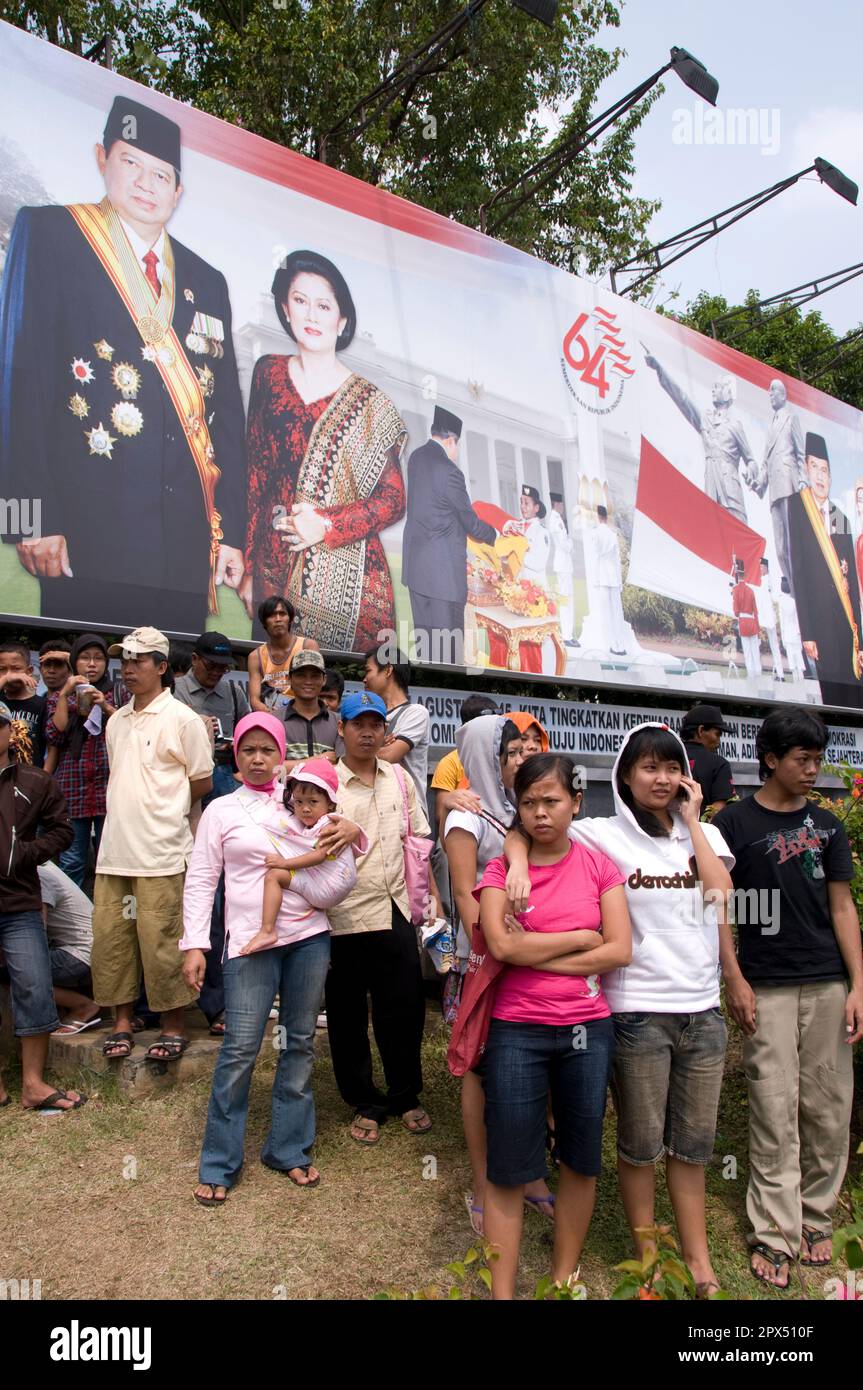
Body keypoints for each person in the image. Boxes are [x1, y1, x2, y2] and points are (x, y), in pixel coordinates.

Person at [0, 97, 247, 633]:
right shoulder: (52, 233)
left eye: (162, 174)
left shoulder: (209, 280)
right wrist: (29, 518)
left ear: (178, 192)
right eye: (131, 162)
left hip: (183, 552)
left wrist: (230, 535)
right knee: (85, 696)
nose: (146, 183)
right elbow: (21, 379)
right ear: (101, 158)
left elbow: (225, 417)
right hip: (85, 539)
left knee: (172, 699)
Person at [506, 722, 734, 1298]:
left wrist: (693, 822)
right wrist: (512, 864)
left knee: (693, 1144)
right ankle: (649, 1256)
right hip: (636, 1012)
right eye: (647, 768)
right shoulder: (602, 834)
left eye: (669, 767)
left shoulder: (704, 835)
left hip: (702, 1011)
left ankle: (699, 1262)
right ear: (625, 777)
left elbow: (718, 894)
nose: (660, 779)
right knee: (639, 1144)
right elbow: (530, 826)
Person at [182, 715, 366, 1200]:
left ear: (281, 753)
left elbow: (342, 825)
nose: (259, 759)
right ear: (235, 756)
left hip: (308, 938)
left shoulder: (301, 798)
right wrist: (195, 944)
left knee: (300, 1042)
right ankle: (219, 1161)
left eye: (268, 750)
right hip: (249, 943)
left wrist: (351, 826)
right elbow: (202, 879)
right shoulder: (221, 810)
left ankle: (288, 1148)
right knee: (240, 1048)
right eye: (249, 750)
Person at [713, 710, 863, 1291]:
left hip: (828, 981)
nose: (812, 769)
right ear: (770, 759)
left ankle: (817, 1214)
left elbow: (843, 907)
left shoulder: (827, 826)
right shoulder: (732, 824)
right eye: (801, 759)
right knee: (774, 1106)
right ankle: (775, 1230)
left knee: (828, 1105)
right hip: (767, 983)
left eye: (816, 759)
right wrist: (735, 978)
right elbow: (718, 907)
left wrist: (858, 984)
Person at [478, 753, 631, 1299]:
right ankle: (502, 1292)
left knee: (580, 1157)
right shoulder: (501, 870)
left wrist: (531, 953)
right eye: (529, 802)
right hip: (516, 1029)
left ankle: (564, 1275)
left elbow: (619, 950)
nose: (540, 813)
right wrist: (577, 939)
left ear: (576, 803)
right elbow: (499, 944)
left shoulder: (598, 867)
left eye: (552, 801)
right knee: (508, 1167)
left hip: (587, 1030)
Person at [244, 249, 407, 652]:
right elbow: (255, 473)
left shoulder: (372, 403)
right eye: (300, 301)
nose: (311, 316)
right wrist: (248, 565)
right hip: (273, 564)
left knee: (341, 691)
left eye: (324, 305)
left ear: (342, 319)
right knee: (272, 683)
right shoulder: (268, 372)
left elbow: (393, 498)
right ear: (285, 309)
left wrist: (328, 524)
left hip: (348, 572)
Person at [443, 714, 554, 1234]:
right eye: (509, 751)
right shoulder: (466, 817)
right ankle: (485, 1185)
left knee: (531, 1068)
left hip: (534, 958)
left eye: (526, 750)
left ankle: (530, 1176)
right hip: (487, 962)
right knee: (482, 1071)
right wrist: (494, 946)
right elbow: (464, 894)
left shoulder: (524, 812)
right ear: (485, 757)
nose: (520, 759)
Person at [92, 626, 213, 1063]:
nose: (128, 668)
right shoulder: (115, 720)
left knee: (164, 942)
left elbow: (200, 780)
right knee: (114, 940)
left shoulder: (183, 720)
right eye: (124, 660)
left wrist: (163, 812)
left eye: (139, 660)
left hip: (162, 852)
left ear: (162, 667)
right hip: (115, 852)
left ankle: (174, 1026)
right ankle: (122, 1023)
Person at [326, 691, 431, 1144]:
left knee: (403, 1011)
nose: (367, 733)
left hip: (397, 908)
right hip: (343, 914)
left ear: (386, 731)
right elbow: (311, 841)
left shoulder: (400, 778)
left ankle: (406, 1095)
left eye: (375, 725)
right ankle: (365, 1101)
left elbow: (419, 838)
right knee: (348, 1015)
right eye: (358, 724)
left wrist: (429, 905)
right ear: (342, 729)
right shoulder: (325, 781)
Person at [0, 700, 82, 1112]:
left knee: (33, 985)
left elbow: (63, 830)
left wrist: (27, 852)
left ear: (9, 731)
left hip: (19, 902)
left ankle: (33, 1083)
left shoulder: (35, 781)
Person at [402, 405, 496, 663]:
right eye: (457, 445)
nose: (457, 452)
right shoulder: (451, 472)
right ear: (451, 440)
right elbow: (471, 523)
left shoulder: (416, 459)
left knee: (426, 652)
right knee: (448, 658)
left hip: (416, 571)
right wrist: (496, 537)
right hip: (443, 579)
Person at [241, 758, 349, 956]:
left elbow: (319, 856)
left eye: (313, 802)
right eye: (299, 802)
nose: (305, 808)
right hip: (325, 889)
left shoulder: (330, 825)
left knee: (274, 875)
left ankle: (267, 930)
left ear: (330, 803)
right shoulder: (312, 824)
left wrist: (284, 863)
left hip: (330, 887)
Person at [788, 433, 863, 708]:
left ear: (831, 477)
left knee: (856, 692)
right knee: (832, 693)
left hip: (846, 624)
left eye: (825, 470)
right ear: (806, 469)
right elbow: (799, 571)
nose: (820, 476)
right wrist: (807, 632)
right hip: (819, 625)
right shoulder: (797, 506)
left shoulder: (839, 516)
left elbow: (852, 583)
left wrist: (861, 639)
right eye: (815, 467)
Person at [643, 351, 757, 525]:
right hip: (712, 487)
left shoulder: (735, 425)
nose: (713, 389)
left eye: (717, 387)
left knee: (737, 535)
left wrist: (751, 470)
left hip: (731, 492)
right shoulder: (705, 419)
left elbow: (751, 459)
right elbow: (683, 400)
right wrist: (659, 369)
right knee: (712, 534)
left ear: (727, 393)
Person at [44, 633, 121, 888]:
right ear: (75, 662)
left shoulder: (118, 695)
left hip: (106, 789)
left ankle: (102, 919)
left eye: (98, 659)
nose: (92, 664)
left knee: (107, 859)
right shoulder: (58, 697)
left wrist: (105, 706)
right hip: (72, 788)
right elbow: (55, 734)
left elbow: (130, 733)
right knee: (71, 860)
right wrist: (66, 694)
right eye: (85, 658)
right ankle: (72, 921)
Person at [173, 630, 250, 800]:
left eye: (223, 668)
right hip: (184, 773)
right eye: (211, 665)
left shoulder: (234, 692)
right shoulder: (173, 691)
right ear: (194, 659)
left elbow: (249, 733)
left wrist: (237, 744)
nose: (216, 672)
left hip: (224, 772)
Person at [36, 861, 100, 1036]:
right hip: (72, 951)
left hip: (81, 956)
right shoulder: (42, 868)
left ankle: (82, 1005)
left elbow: (37, 933)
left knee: (18, 969)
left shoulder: (40, 875)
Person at [755, 379, 805, 589]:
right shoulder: (770, 428)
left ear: (783, 395)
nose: (770, 394)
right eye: (769, 391)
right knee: (781, 548)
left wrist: (802, 479)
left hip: (788, 483)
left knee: (793, 542)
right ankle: (794, 587)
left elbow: (801, 453)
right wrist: (758, 483)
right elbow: (765, 463)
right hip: (774, 491)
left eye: (773, 390)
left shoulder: (791, 418)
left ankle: (801, 584)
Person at [363, 645, 430, 804]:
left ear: (387, 671)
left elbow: (389, 756)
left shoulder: (416, 713)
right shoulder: (368, 715)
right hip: (376, 808)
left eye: (368, 671)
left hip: (409, 813)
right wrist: (379, 747)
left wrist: (359, 750)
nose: (364, 679)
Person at [247, 595, 320, 712]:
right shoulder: (256, 656)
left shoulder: (307, 646)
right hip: (270, 715)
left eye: (282, 614)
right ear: (264, 622)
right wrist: (273, 716)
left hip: (302, 711)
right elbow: (255, 701)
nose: (278, 619)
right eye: (272, 615)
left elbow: (314, 686)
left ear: (290, 619)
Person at [280, 651, 341, 770]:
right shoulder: (274, 721)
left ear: (324, 679)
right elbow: (271, 769)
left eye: (315, 676)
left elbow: (342, 766)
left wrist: (289, 765)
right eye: (301, 675)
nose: (308, 681)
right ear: (289, 679)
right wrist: (319, 760)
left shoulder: (339, 722)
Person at [680, 703, 734, 815]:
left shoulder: (669, 757)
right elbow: (718, 810)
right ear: (701, 730)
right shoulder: (719, 764)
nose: (719, 742)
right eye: (717, 734)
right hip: (702, 830)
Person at [0, 641, 47, 766]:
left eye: (16, 669)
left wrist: (43, 779)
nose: (9, 675)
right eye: (2, 669)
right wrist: (4, 680)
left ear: (29, 670)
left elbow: (53, 749)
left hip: (29, 776)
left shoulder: (42, 705)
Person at [590, 506, 628, 656]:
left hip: (602, 576)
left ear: (598, 516)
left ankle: (608, 644)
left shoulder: (596, 534)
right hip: (612, 576)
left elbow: (595, 557)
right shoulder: (612, 535)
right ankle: (619, 644)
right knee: (617, 613)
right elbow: (617, 559)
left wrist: (595, 579)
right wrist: (619, 582)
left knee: (605, 613)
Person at [547, 492, 578, 646]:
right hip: (563, 563)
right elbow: (564, 544)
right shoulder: (555, 520)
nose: (563, 507)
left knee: (568, 599)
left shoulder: (557, 519)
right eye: (562, 504)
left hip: (565, 564)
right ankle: (566, 636)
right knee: (565, 600)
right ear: (557, 504)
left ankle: (569, 634)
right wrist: (571, 544)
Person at [38, 640, 73, 775]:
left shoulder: (81, 704)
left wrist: (69, 657)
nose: (51, 670)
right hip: (32, 780)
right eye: (47, 665)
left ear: (70, 669)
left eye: (58, 665)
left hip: (68, 780)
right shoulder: (36, 703)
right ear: (40, 668)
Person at [503, 485, 550, 580]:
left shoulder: (541, 532)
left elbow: (539, 563)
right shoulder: (516, 527)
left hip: (535, 587)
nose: (522, 506)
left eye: (526, 503)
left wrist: (517, 550)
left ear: (536, 508)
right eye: (521, 502)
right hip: (517, 585)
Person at [755, 557, 784, 681]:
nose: (760, 569)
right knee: (756, 642)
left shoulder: (770, 580)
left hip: (769, 616)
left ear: (766, 567)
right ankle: (757, 670)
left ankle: (780, 673)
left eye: (761, 567)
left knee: (774, 645)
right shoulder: (759, 580)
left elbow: (774, 597)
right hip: (760, 615)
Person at [731, 560, 761, 679]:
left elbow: (736, 611)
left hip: (743, 622)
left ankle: (751, 674)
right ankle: (758, 673)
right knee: (755, 651)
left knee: (747, 652)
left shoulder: (736, 590)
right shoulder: (751, 590)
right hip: (752, 622)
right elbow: (756, 611)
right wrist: (758, 629)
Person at [778, 576, 806, 683]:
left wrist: (783, 636)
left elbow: (782, 621)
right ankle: (801, 678)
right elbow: (798, 619)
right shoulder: (793, 601)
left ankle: (796, 680)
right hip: (796, 632)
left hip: (788, 633)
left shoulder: (782, 602)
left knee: (791, 657)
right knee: (798, 656)